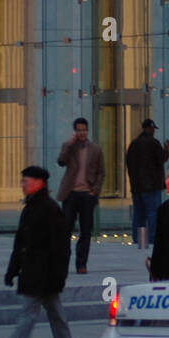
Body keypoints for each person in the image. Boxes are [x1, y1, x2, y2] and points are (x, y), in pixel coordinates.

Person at [0, 166, 74, 338]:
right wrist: (12, 270)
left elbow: (61, 247)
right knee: (55, 312)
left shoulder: (50, 209)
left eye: (25, 181)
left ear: (38, 183)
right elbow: (20, 243)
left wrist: (58, 274)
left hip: (42, 272)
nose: (22, 185)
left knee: (28, 312)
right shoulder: (32, 208)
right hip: (37, 271)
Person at [56, 117, 104, 274]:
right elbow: (61, 161)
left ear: (87, 130)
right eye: (79, 130)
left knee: (85, 231)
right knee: (65, 231)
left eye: (84, 130)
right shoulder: (69, 147)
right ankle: (62, 263)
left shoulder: (96, 149)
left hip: (87, 195)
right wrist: (70, 144)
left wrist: (94, 190)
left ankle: (81, 264)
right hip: (70, 194)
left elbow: (101, 173)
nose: (82, 133)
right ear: (75, 132)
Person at [125, 119, 169, 246]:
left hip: (137, 186)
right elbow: (161, 158)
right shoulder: (153, 143)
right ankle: (152, 239)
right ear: (149, 129)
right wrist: (167, 149)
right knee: (153, 213)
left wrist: (133, 181)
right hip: (152, 186)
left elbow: (129, 164)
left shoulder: (134, 144)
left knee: (138, 215)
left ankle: (137, 239)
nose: (154, 131)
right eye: (153, 129)